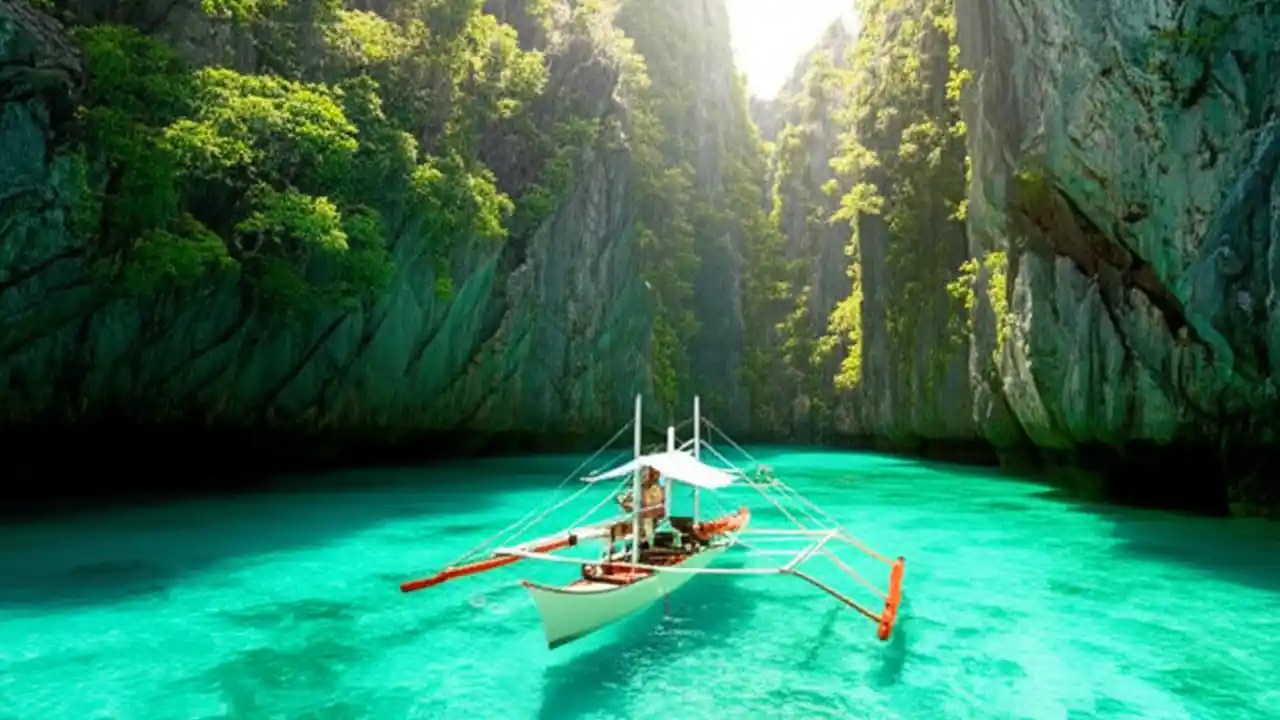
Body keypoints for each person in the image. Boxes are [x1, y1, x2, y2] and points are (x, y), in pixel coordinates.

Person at [615, 466, 665, 546]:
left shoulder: (657, 489)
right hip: (642, 516)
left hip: (648, 516)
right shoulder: (640, 489)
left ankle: (648, 543)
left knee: (647, 523)